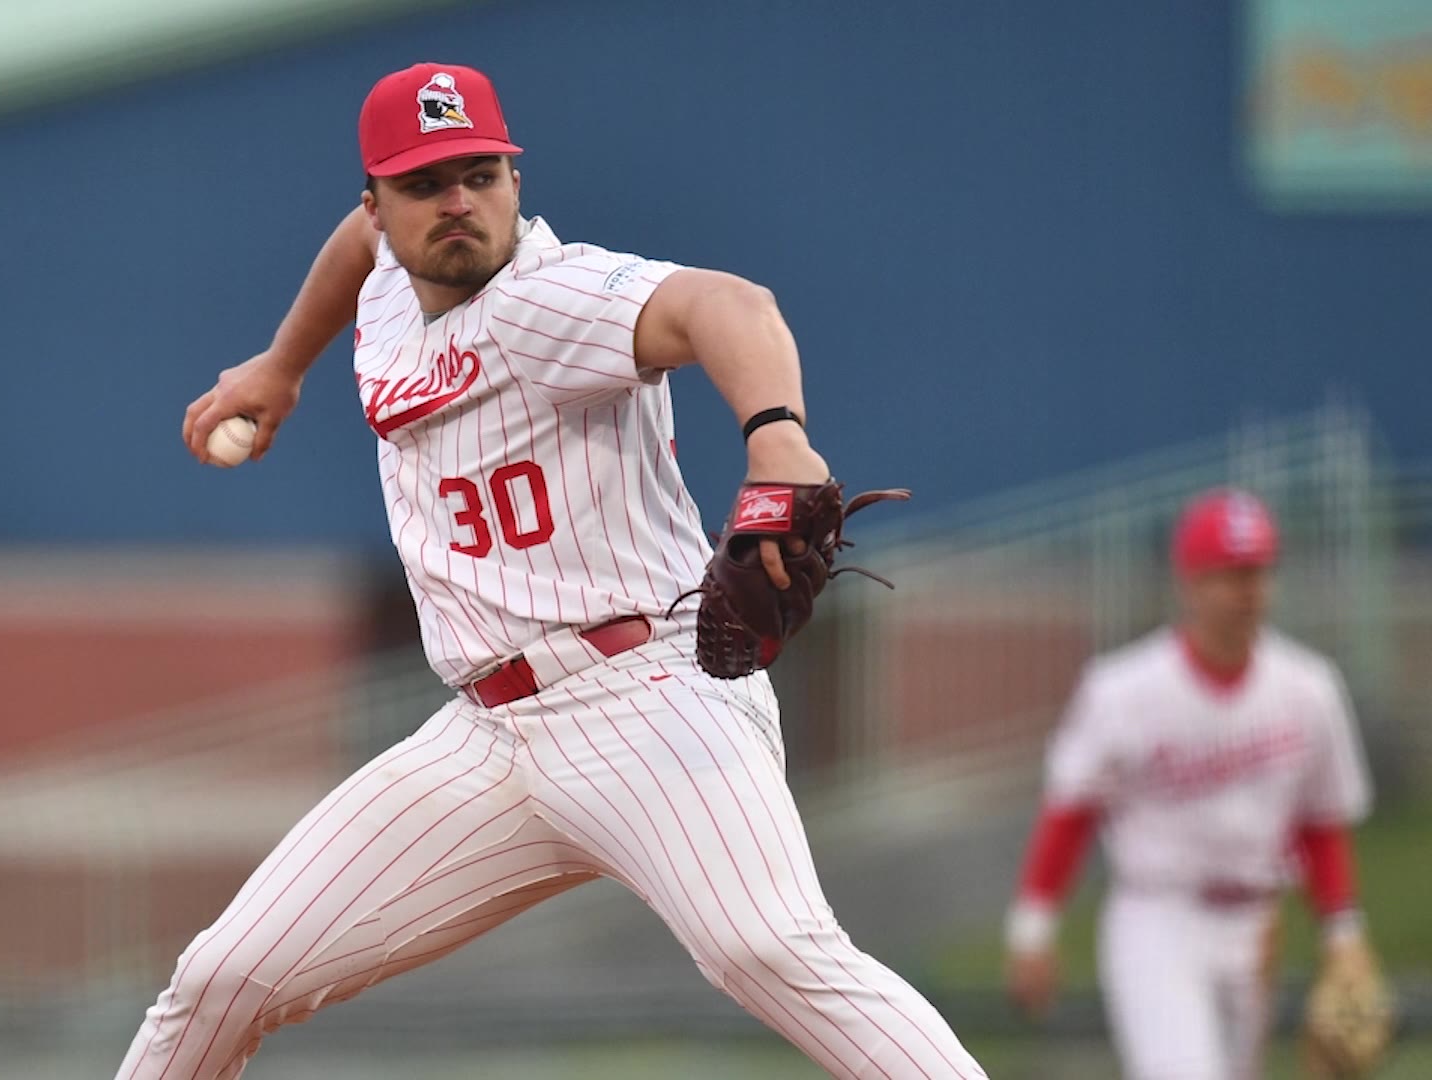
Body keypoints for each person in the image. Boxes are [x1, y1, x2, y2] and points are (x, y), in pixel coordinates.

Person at [117, 62, 985, 1079]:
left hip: (645, 700)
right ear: (380, 203)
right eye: (426, 184)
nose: (458, 205)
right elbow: (358, 252)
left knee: (768, 948)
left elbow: (730, 306)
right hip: (485, 739)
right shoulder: (393, 271)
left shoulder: (552, 296)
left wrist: (778, 436)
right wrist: (281, 363)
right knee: (220, 979)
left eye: (481, 175)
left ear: (515, 182)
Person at [1003, 489, 1382, 1079]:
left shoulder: (1308, 690)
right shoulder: (1124, 690)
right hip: (1159, 916)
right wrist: (1033, 929)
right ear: (1189, 582)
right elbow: (1070, 811)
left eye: (1257, 570)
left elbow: (1321, 822)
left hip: (1256, 921)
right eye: (1228, 574)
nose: (1246, 590)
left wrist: (1344, 935)